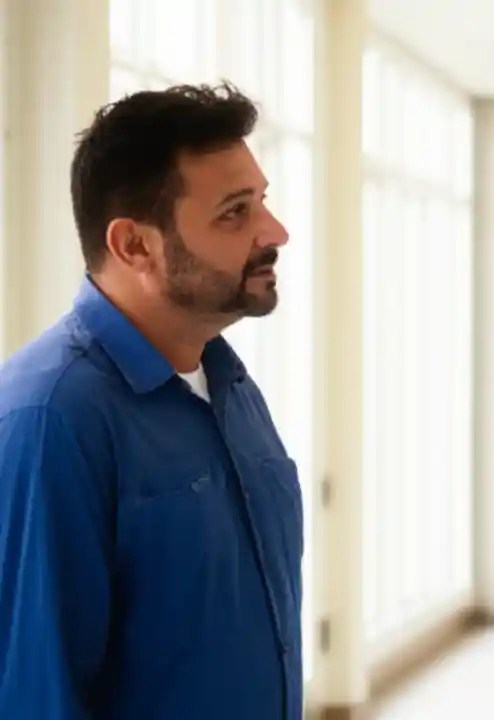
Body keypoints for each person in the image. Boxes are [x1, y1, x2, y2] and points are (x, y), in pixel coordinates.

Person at [0, 83, 302, 719]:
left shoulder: (230, 387)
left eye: (263, 202)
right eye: (235, 212)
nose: (275, 231)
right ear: (134, 245)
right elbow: (35, 693)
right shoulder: (50, 418)